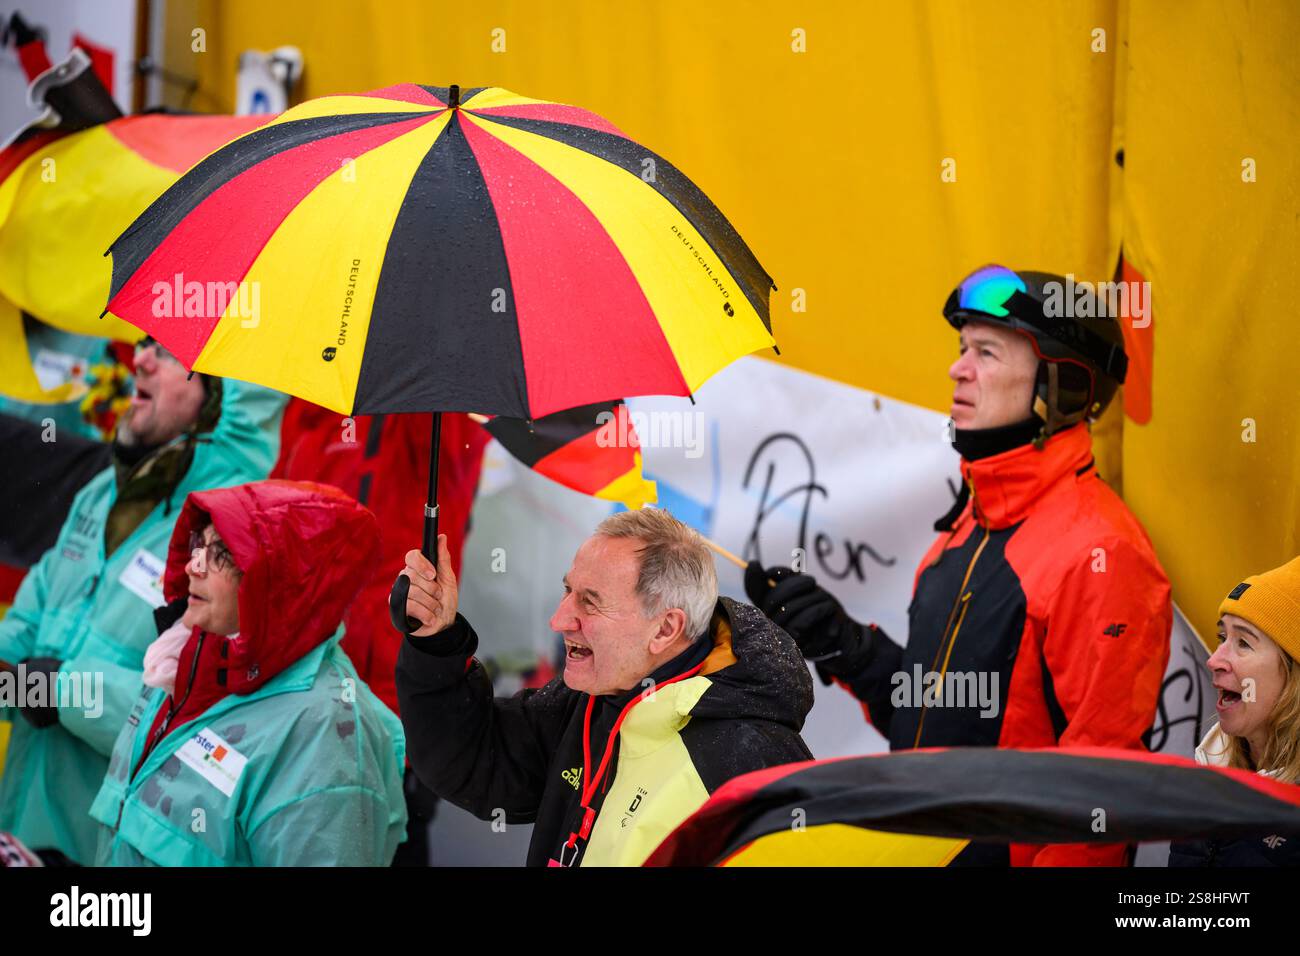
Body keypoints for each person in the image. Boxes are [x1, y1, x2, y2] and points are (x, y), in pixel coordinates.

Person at [745, 265, 1172, 866]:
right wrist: (839, 641)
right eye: (962, 348)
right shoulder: (967, 529)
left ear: (1062, 385)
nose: (958, 368)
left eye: (987, 352)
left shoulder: (1101, 553)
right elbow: (937, 718)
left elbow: (1102, 790)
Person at [395, 508, 814, 867]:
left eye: (589, 602)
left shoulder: (752, 761)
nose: (560, 619)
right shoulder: (597, 695)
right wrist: (437, 641)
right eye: (567, 590)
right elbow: (476, 763)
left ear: (665, 628)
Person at [0, 337, 285, 863]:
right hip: (21, 829)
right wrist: (15, 677)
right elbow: (20, 636)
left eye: (173, 352)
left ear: (221, 399)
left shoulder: (234, 546)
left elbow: (207, 728)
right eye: (145, 343)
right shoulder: (100, 494)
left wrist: (63, 690)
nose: (141, 359)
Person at [90, 480, 408, 866]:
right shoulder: (180, 662)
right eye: (198, 545)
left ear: (281, 584)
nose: (193, 565)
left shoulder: (324, 736)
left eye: (222, 553)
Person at [270, 400, 489, 865]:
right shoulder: (310, 405)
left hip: (391, 713)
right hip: (297, 696)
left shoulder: (434, 415)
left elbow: (462, 422)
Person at [1169, 556, 1300, 866]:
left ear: (1293, 673)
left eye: (1243, 643)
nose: (1214, 660)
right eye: (1222, 637)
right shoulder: (1205, 775)